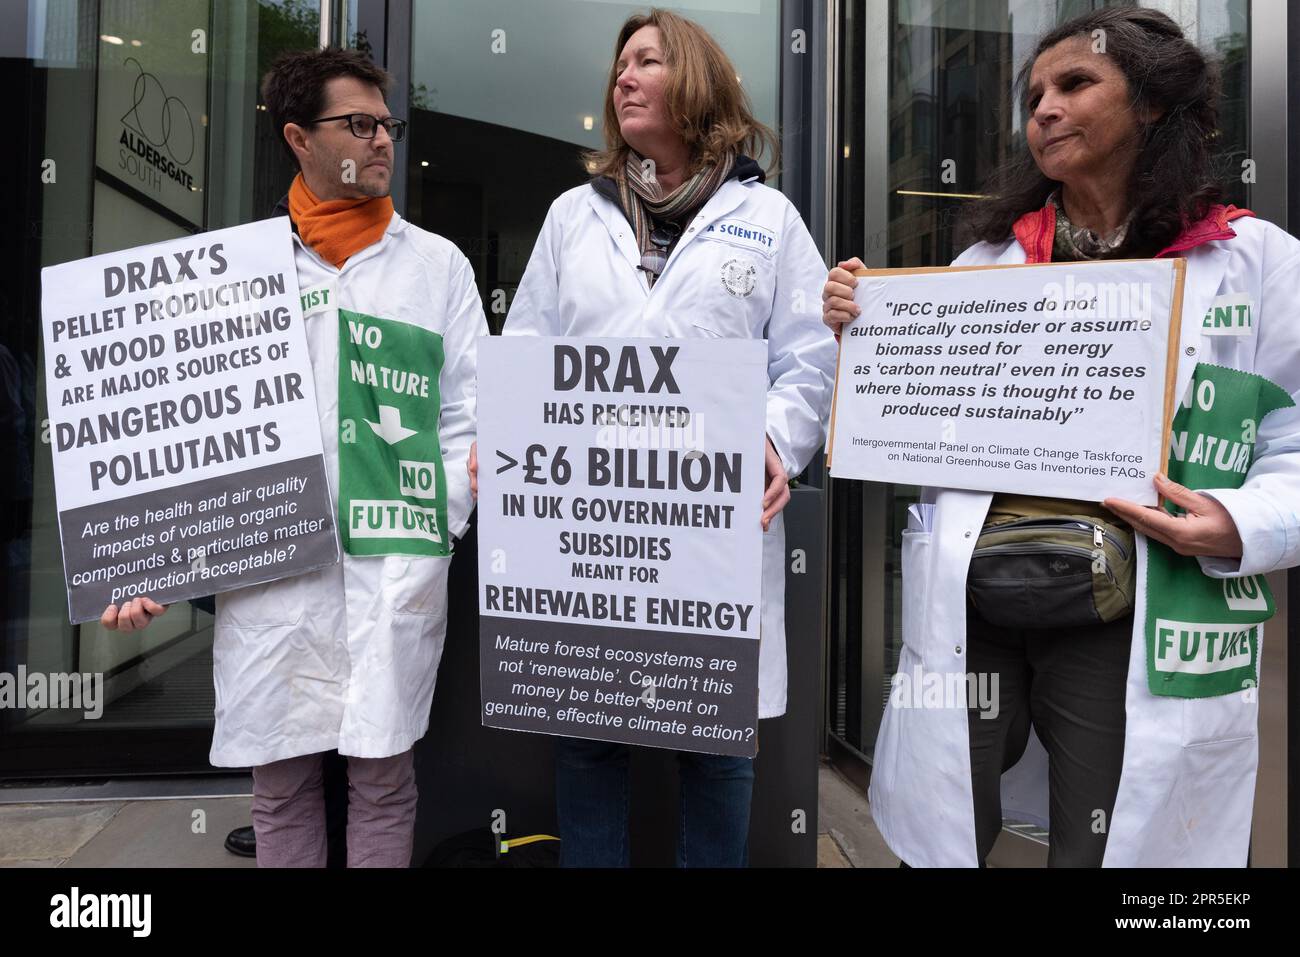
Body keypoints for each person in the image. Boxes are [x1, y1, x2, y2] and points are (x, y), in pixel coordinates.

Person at [824, 6, 1300, 867]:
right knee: (941, 833)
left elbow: (1295, 440)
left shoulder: (1257, 262)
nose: (1043, 106)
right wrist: (865, 338)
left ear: (1151, 106)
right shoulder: (984, 266)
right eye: (1034, 92)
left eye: (1075, 83)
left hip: (1121, 608)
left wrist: (1240, 521)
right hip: (978, 601)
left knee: (1104, 842)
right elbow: (908, 426)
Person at [101, 47, 486, 867]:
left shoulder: (436, 267)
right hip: (273, 579)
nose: (383, 139)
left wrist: (435, 524)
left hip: (394, 568)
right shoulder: (234, 276)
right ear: (298, 138)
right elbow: (182, 435)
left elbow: (470, 421)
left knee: (385, 779)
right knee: (279, 789)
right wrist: (148, 559)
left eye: (388, 123)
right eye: (360, 123)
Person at [469, 9, 836, 867]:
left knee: (715, 748)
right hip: (590, 538)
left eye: (647, 61)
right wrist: (505, 431)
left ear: (698, 81)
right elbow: (527, 347)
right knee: (589, 739)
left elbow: (811, 359)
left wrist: (778, 444)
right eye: (620, 64)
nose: (622, 77)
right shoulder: (573, 215)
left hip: (713, 533)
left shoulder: (769, 219)